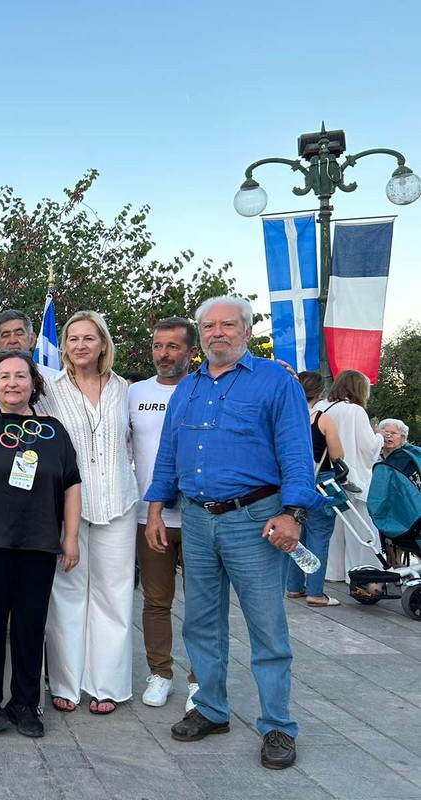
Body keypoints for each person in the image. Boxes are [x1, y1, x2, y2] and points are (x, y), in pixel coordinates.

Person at [145, 295, 324, 770]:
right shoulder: (186, 387)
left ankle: (279, 727)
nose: (217, 333)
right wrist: (155, 509)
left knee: (267, 627)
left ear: (246, 331)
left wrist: (293, 514)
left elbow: (295, 451)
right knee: (201, 621)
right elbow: (168, 453)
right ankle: (211, 708)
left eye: (228, 325)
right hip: (198, 520)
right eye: (209, 326)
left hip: (255, 520)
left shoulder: (274, 382)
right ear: (199, 335)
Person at [0, 351, 82, 738]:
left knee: (30, 627)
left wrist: (70, 538)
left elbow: (72, 486)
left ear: (33, 384)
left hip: (39, 546)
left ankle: (25, 703)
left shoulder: (54, 431)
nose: (12, 383)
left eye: (20, 376)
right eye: (4, 376)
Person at [38, 310, 137, 715]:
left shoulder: (125, 389)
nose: (80, 345)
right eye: (73, 338)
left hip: (119, 501)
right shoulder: (49, 390)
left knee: (114, 596)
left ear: (103, 345)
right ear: (64, 346)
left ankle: (107, 685)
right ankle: (65, 682)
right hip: (67, 507)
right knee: (66, 594)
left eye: (89, 338)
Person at [128, 317, 199, 710]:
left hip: (199, 517)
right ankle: (161, 673)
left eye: (173, 347)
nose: (164, 354)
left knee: (203, 602)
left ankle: (200, 679)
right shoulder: (134, 393)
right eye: (158, 346)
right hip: (148, 516)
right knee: (156, 601)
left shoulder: (203, 388)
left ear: (191, 351)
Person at [284, 371, 346, 607]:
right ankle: (315, 591)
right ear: (319, 393)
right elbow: (337, 455)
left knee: (297, 536)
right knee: (320, 536)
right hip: (321, 483)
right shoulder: (321, 419)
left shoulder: (288, 416)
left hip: (292, 484)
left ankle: (293, 586)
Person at [314, 370, 383, 580]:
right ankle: (361, 571)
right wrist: (378, 435)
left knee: (333, 528)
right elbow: (368, 447)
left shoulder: (320, 406)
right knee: (360, 527)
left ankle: (332, 572)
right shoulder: (355, 411)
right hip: (351, 475)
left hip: (325, 476)